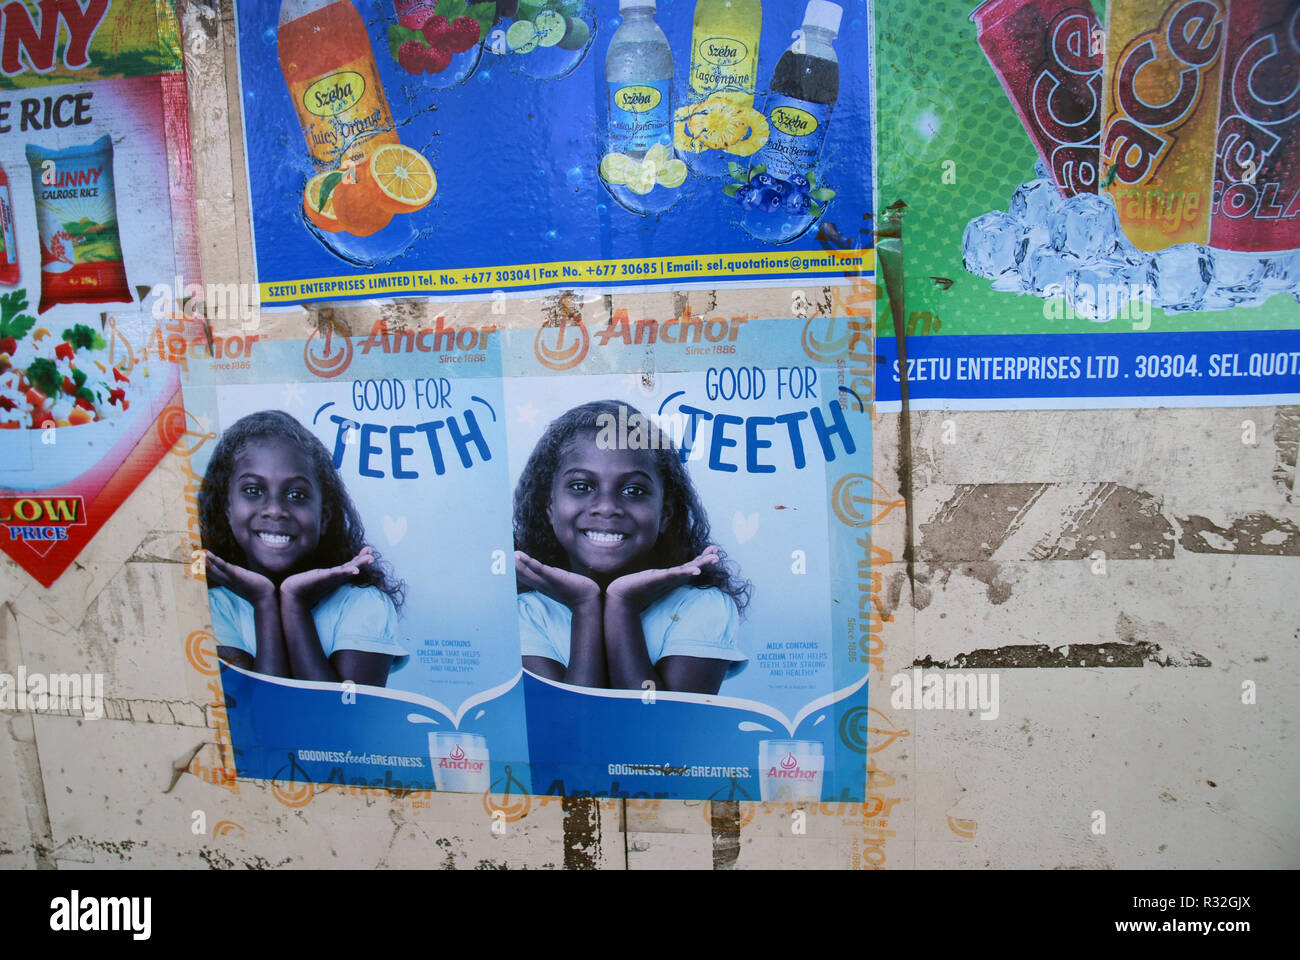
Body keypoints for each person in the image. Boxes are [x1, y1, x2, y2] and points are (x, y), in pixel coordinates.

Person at [513, 399, 750, 694]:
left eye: (633, 491)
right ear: (549, 506)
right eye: (582, 486)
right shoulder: (526, 614)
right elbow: (570, 732)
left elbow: (660, 733)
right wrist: (585, 607)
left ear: (664, 513)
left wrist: (621, 607)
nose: (607, 508)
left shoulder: (701, 607)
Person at [198, 410, 405, 687]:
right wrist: (265, 604)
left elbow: (339, 723)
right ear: (227, 509)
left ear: (325, 516)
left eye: (296, 495)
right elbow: (257, 720)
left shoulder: (363, 604)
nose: (275, 510)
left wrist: (295, 606)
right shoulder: (211, 607)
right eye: (253, 491)